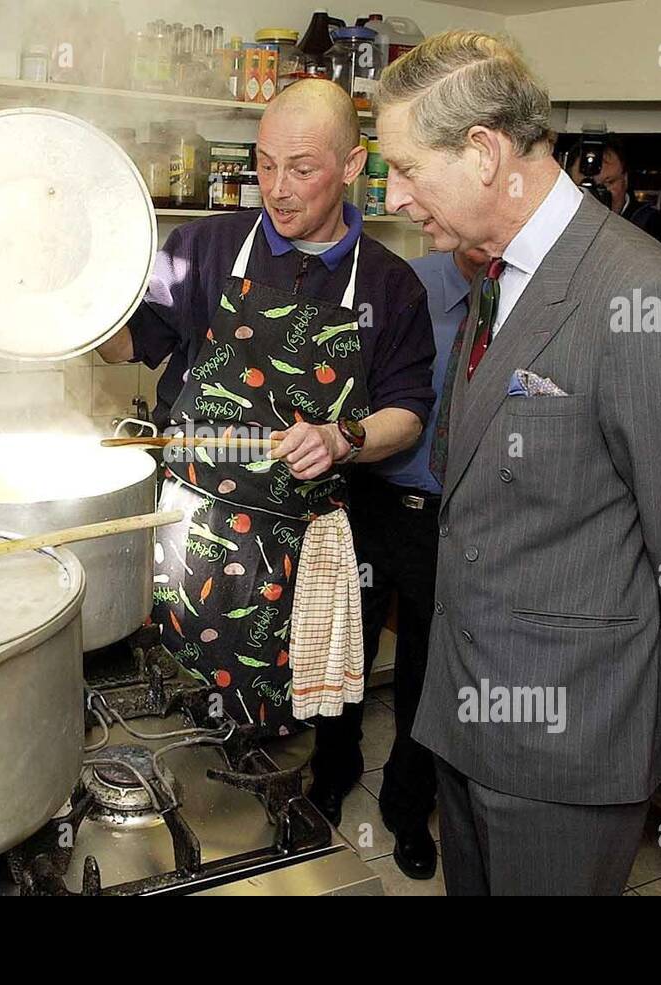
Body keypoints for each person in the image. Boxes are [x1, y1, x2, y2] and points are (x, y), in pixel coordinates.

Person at [376, 30, 661, 895]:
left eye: (405, 167)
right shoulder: (498, 276)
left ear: (482, 152)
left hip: (570, 736)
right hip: (466, 712)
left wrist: (622, 667)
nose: (394, 194)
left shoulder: (647, 299)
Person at [98, 79, 436, 737]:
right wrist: (79, 300)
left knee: (286, 721)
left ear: (351, 165)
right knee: (172, 695)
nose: (277, 187)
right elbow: (128, 346)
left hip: (301, 547)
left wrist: (344, 437)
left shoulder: (391, 285)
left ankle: (292, 802)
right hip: (190, 533)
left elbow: (408, 411)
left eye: (302, 168)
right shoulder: (206, 248)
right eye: (265, 162)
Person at [308, 247, 485, 880]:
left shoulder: (524, 295)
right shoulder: (401, 283)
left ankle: (410, 803)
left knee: (430, 666)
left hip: (462, 514)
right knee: (344, 650)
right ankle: (332, 771)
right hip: (374, 497)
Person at [564, 134, 661, 256]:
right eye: (588, 185)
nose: (599, 194)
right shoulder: (562, 225)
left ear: (625, 179)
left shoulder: (655, 227)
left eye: (609, 182)